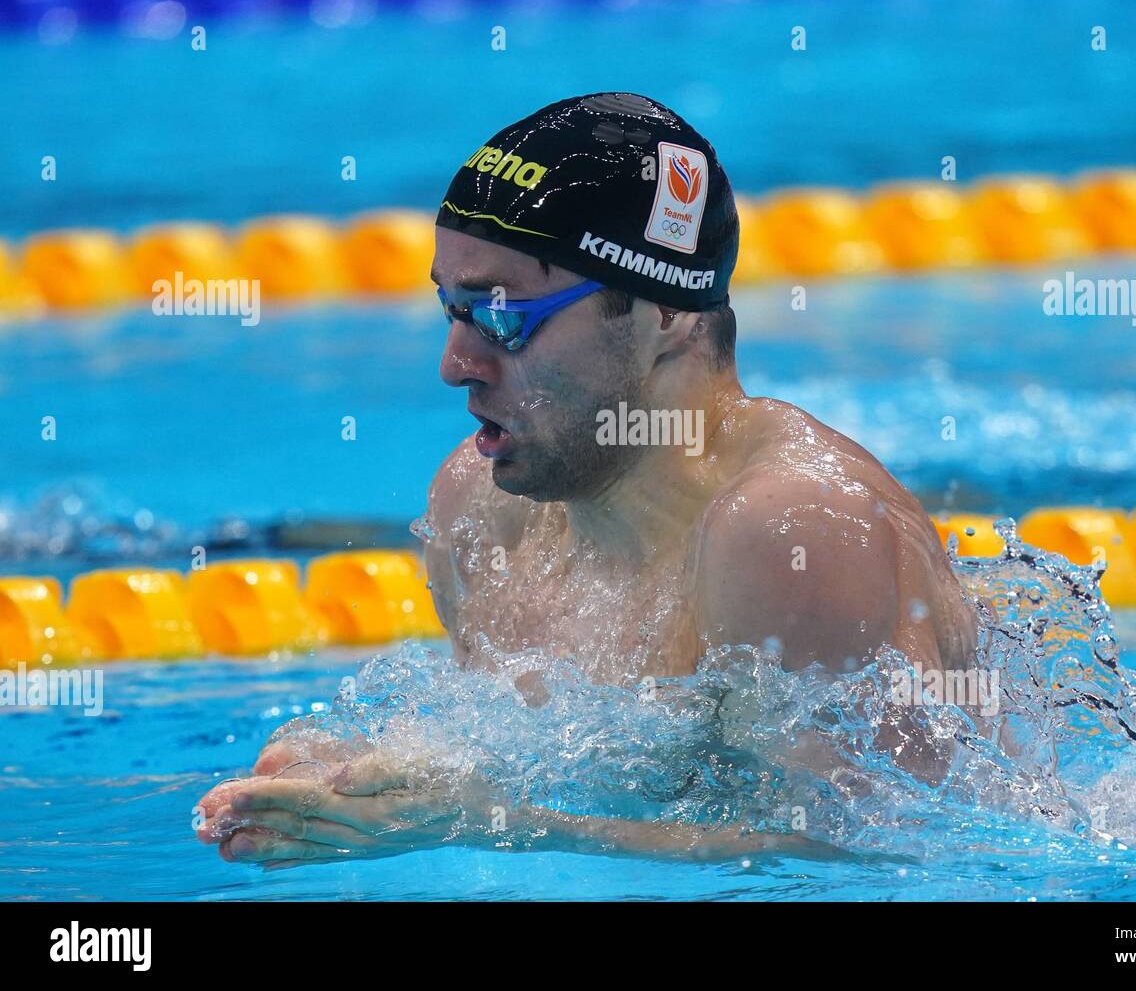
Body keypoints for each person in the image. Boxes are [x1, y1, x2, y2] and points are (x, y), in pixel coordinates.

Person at [196, 92, 977, 867]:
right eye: (452, 309)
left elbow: (868, 857)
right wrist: (356, 774)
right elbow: (532, 759)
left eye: (505, 317)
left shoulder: (786, 530)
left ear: (663, 313)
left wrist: (495, 824)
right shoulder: (482, 509)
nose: (456, 365)